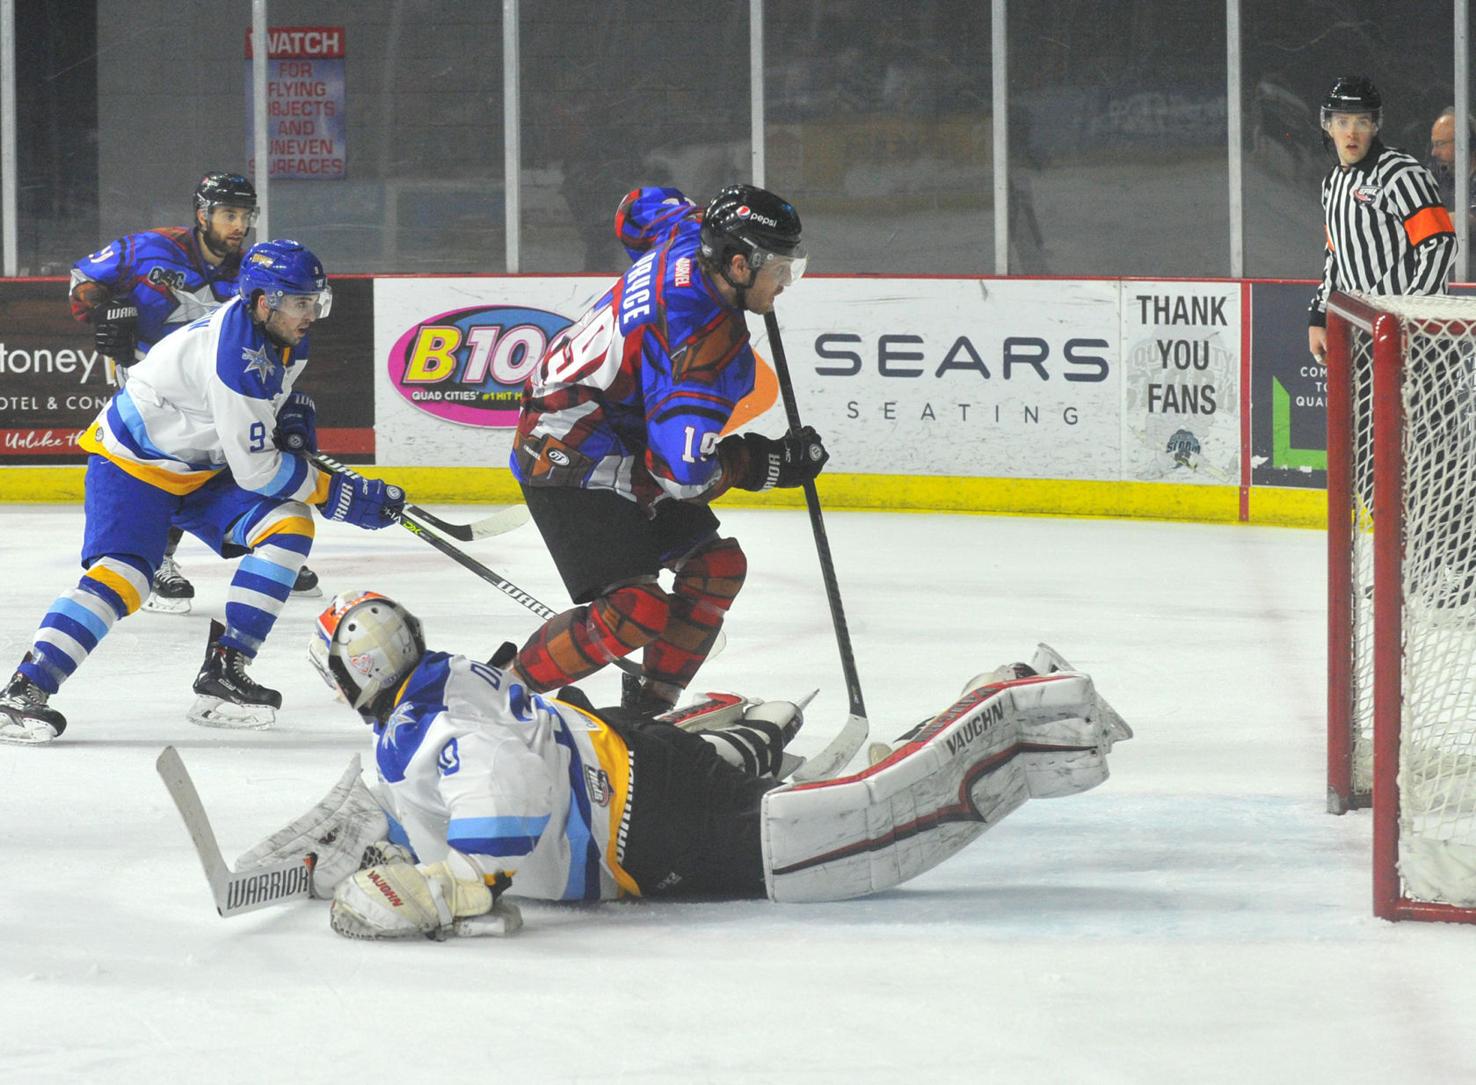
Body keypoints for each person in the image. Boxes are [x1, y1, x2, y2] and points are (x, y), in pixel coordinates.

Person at [232, 591, 1130, 941]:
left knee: (826, 839)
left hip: (639, 836)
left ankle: (1012, 703)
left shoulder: (432, 736)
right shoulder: (446, 678)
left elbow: (500, 796)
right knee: (745, 776)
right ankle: (753, 735)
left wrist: (453, 886)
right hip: (636, 754)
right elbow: (423, 782)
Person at [0, 241, 407, 746]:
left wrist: (294, 412)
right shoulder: (233, 357)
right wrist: (338, 493)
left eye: (314, 302)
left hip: (202, 465)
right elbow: (257, 470)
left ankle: (224, 672)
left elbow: (271, 407)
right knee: (125, 578)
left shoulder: (284, 335)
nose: (311, 314)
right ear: (265, 301)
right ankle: (23, 691)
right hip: (134, 465)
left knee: (287, 525)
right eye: (301, 302)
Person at [506, 183, 829, 717]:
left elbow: (634, 208)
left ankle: (647, 712)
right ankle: (495, 693)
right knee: (634, 611)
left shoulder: (688, 231)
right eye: (777, 267)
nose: (785, 281)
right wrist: (766, 463)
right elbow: (685, 477)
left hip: (604, 430)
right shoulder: (703, 349)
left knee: (717, 567)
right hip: (570, 453)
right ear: (739, 265)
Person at [70, 170, 323, 613]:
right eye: (229, 214)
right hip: (150, 379)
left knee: (249, 442)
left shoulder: (252, 274)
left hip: (210, 384)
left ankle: (260, 534)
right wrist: (106, 308)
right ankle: (158, 557)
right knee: (169, 456)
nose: (239, 226)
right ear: (202, 214)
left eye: (246, 216)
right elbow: (83, 280)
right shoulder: (151, 247)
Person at [1307, 76, 1456, 364]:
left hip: (1415, 340)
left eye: (1361, 122)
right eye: (1343, 122)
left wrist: (1410, 317)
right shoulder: (1332, 183)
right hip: (1360, 334)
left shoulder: (1401, 174)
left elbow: (1440, 244)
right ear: (1327, 125)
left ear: (1375, 126)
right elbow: (1335, 256)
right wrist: (1319, 315)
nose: (1352, 133)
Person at [1427, 106, 1476, 228]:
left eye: (1440, 144)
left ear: (1464, 142)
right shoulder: (1441, 176)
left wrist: (1422, 222)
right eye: (1434, 145)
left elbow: (1470, 221)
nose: (1434, 152)